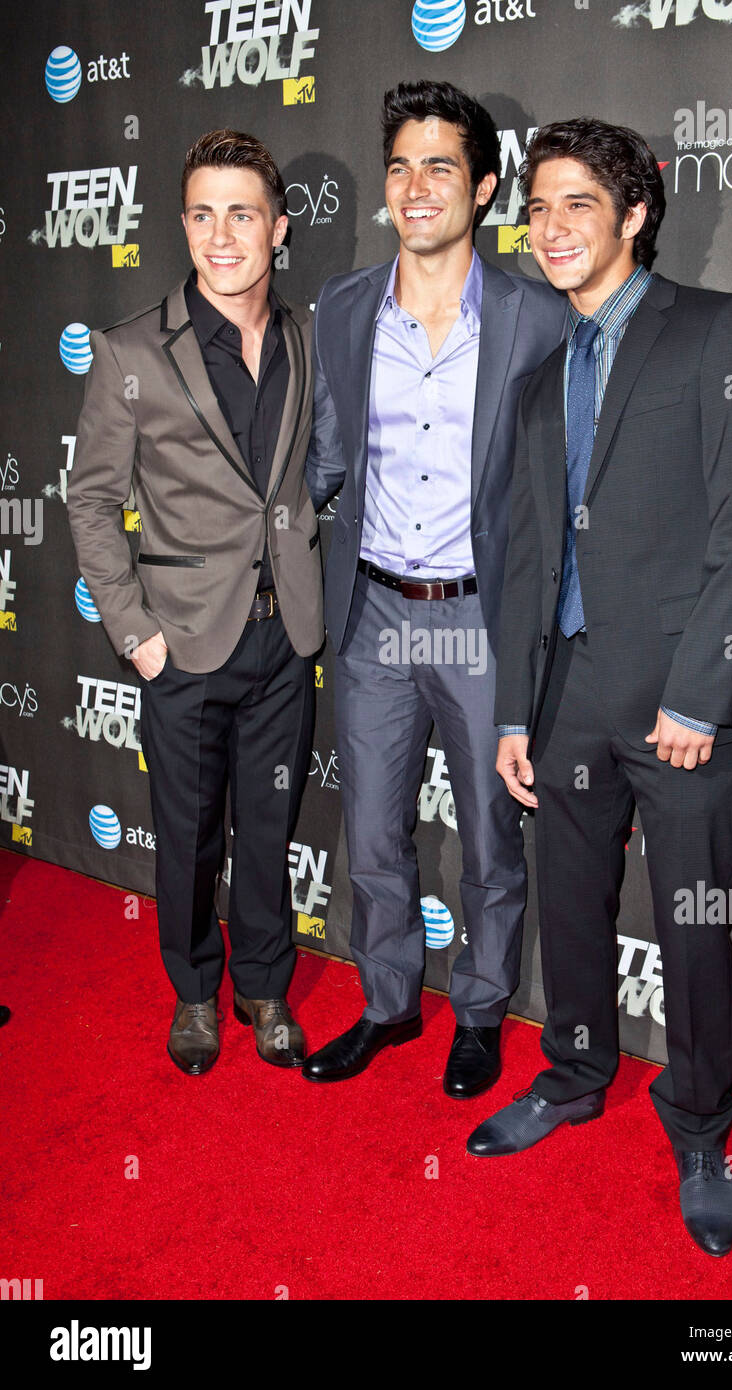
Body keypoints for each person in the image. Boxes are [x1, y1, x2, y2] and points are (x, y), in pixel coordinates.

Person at [467, 118, 732, 1257]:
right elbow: (520, 558)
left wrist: (700, 697)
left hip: (680, 701)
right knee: (569, 908)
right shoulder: (539, 378)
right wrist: (514, 707)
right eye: (536, 208)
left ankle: (699, 1122)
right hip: (566, 697)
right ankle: (572, 1072)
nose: (548, 230)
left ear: (633, 215)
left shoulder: (717, 329)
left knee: (694, 926)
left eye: (576, 207)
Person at [303, 81, 567, 1097]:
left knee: (489, 840)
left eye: (440, 167)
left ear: (484, 186)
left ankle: (484, 1011)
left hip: (478, 618)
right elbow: (325, 453)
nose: (417, 188)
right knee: (372, 829)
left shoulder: (535, 316)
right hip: (372, 611)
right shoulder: (343, 304)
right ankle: (388, 1004)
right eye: (402, 167)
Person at [67, 130, 322, 1076]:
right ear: (183, 224)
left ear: (278, 228)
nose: (223, 237)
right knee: (187, 835)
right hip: (180, 644)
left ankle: (264, 984)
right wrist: (134, 634)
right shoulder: (133, 349)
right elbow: (90, 499)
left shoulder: (304, 338)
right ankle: (193, 991)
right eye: (204, 215)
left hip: (284, 638)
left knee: (269, 825)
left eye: (243, 214)